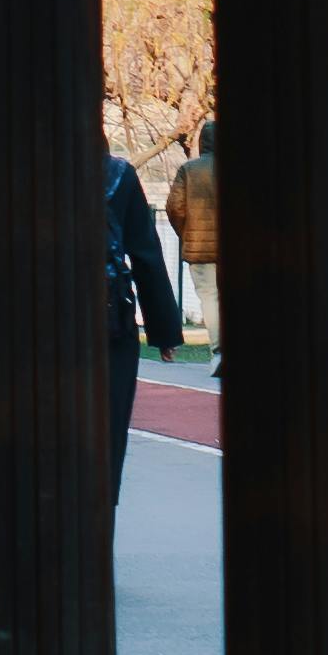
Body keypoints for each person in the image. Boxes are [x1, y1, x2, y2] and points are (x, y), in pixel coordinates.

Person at [107, 144, 181, 522]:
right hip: (109, 323)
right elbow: (146, 256)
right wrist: (164, 331)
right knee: (108, 429)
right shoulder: (118, 176)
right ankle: (99, 532)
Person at [166, 120, 218, 383]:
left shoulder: (189, 170)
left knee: (209, 298)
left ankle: (219, 351)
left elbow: (174, 207)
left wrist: (186, 233)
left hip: (199, 249)